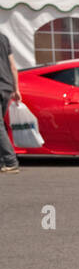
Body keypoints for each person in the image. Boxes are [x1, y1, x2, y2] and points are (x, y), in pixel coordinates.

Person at [0, 30, 21, 174]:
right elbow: (13, 66)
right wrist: (16, 88)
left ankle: (10, 161)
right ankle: (3, 161)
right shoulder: (4, 38)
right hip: (6, 87)